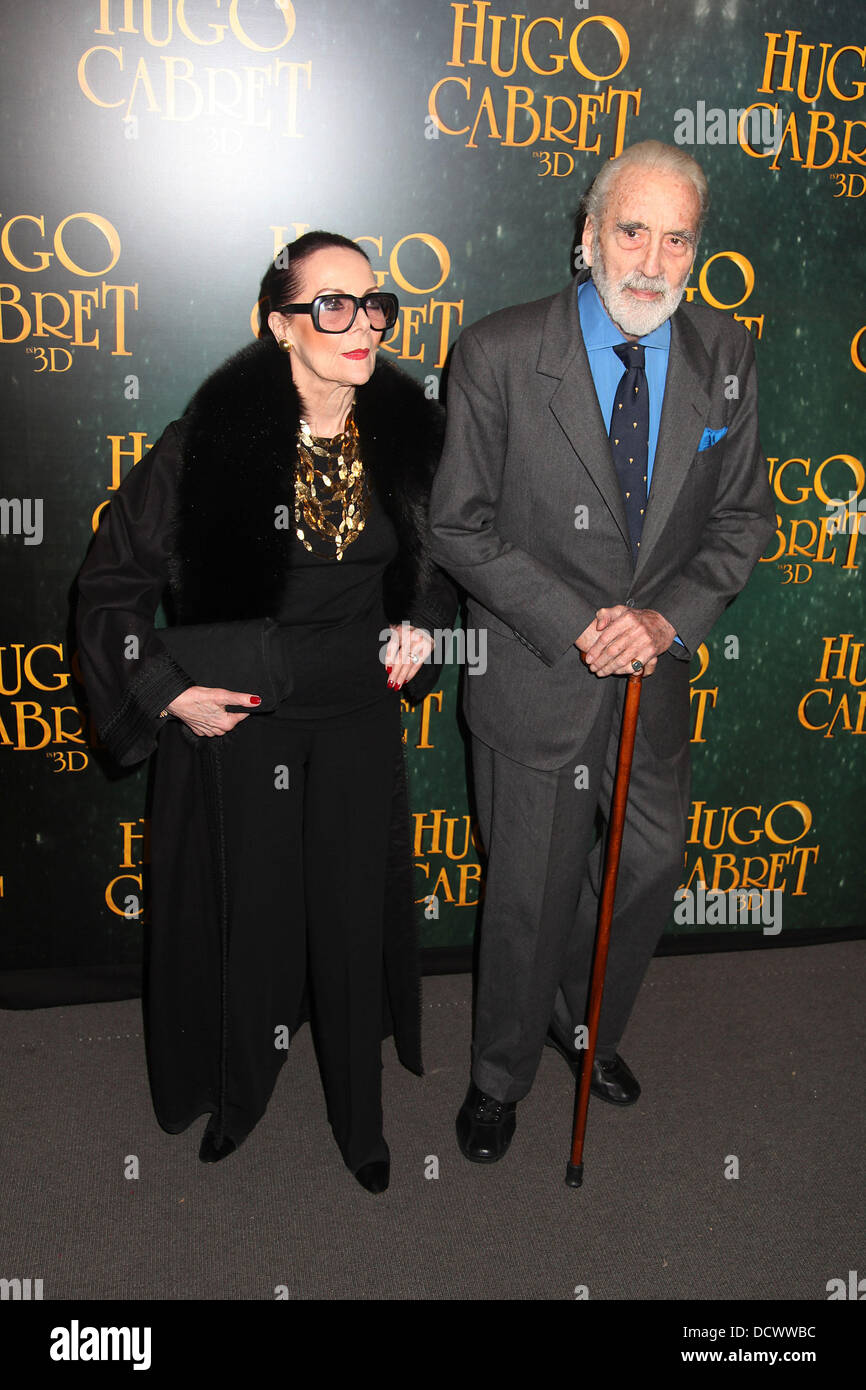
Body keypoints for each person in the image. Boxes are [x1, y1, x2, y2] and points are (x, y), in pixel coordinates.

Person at [76, 231, 455, 1193]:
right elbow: (110, 582)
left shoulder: (410, 431)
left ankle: (361, 1123)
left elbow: (448, 559)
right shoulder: (213, 440)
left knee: (346, 909)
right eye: (331, 305)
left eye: (372, 305)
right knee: (258, 916)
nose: (361, 324)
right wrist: (164, 690)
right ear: (279, 324)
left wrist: (420, 621)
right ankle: (240, 1094)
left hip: (359, 717)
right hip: (246, 724)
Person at [428, 141, 776, 1163]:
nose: (652, 260)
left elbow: (740, 521)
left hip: (650, 681)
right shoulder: (495, 352)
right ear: (586, 238)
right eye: (632, 229)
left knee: (644, 869)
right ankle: (499, 1076)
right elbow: (458, 526)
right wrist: (573, 619)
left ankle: (581, 1023)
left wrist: (664, 620)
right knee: (527, 890)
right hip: (535, 673)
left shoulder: (725, 357)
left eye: (677, 238)